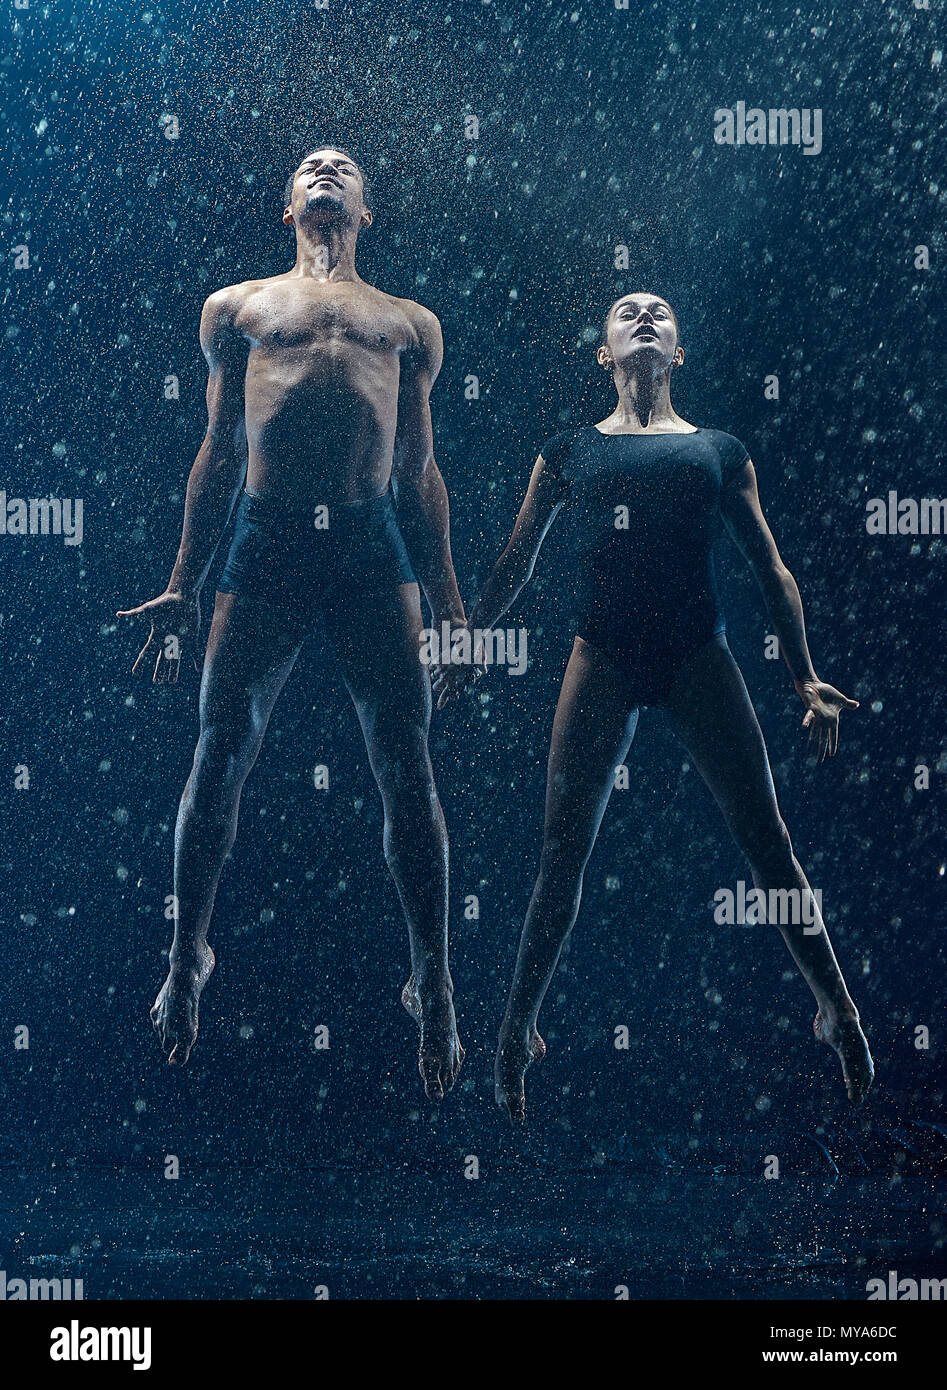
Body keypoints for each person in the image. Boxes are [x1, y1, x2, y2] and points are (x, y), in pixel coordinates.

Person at [438, 290, 873, 1122]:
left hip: (695, 657)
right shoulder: (568, 450)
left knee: (768, 839)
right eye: (625, 312)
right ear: (603, 353)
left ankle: (837, 1011)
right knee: (560, 853)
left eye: (660, 313)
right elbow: (514, 561)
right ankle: (515, 1031)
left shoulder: (717, 449)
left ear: (677, 352)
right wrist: (468, 637)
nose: (643, 316)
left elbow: (769, 567)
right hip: (598, 655)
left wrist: (804, 675)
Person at [118, 147, 467, 1100]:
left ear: (365, 208)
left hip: (368, 545)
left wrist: (450, 602)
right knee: (220, 747)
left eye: (345, 165)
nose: (326, 168)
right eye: (311, 165)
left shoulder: (408, 323)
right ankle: (189, 951)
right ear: (287, 208)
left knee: (407, 761)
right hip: (264, 541)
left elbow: (419, 472)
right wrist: (183, 581)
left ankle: (431, 978)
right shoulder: (237, 308)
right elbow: (217, 447)